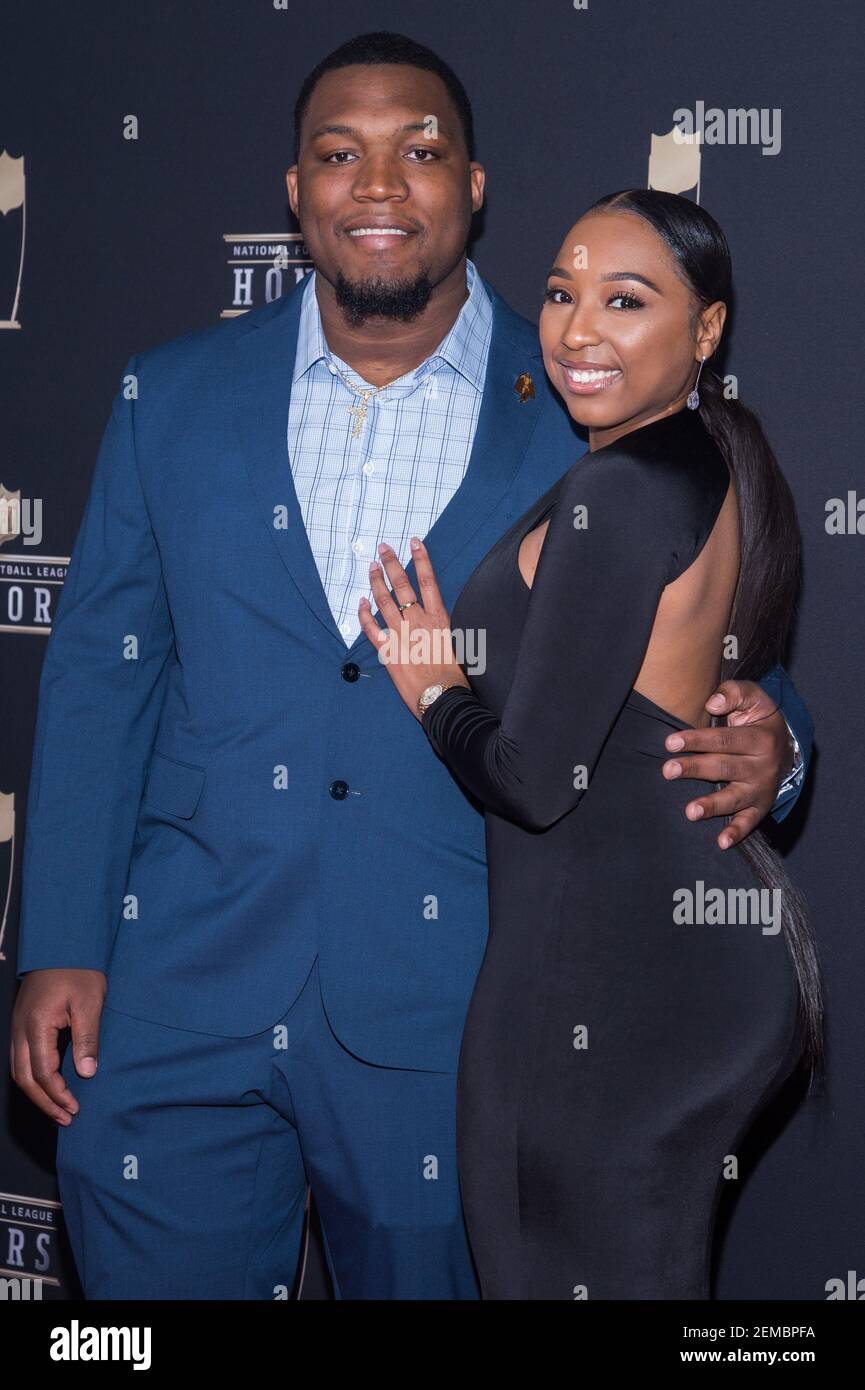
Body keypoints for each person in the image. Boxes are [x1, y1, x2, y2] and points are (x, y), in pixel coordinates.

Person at [11, 33, 811, 1301]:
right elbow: (103, 678)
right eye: (340, 154)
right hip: (179, 1000)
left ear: (475, 187)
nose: (378, 185)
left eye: (419, 151)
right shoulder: (170, 396)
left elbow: (711, 625)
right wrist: (57, 937)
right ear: (293, 190)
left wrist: (778, 737)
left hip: (455, 1018)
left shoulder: (582, 401)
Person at [359, 188, 823, 1300]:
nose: (576, 329)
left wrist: (435, 687)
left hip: (603, 981)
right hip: (634, 966)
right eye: (562, 294)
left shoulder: (624, 480)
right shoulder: (689, 457)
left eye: (624, 299)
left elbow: (539, 774)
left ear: (705, 330)